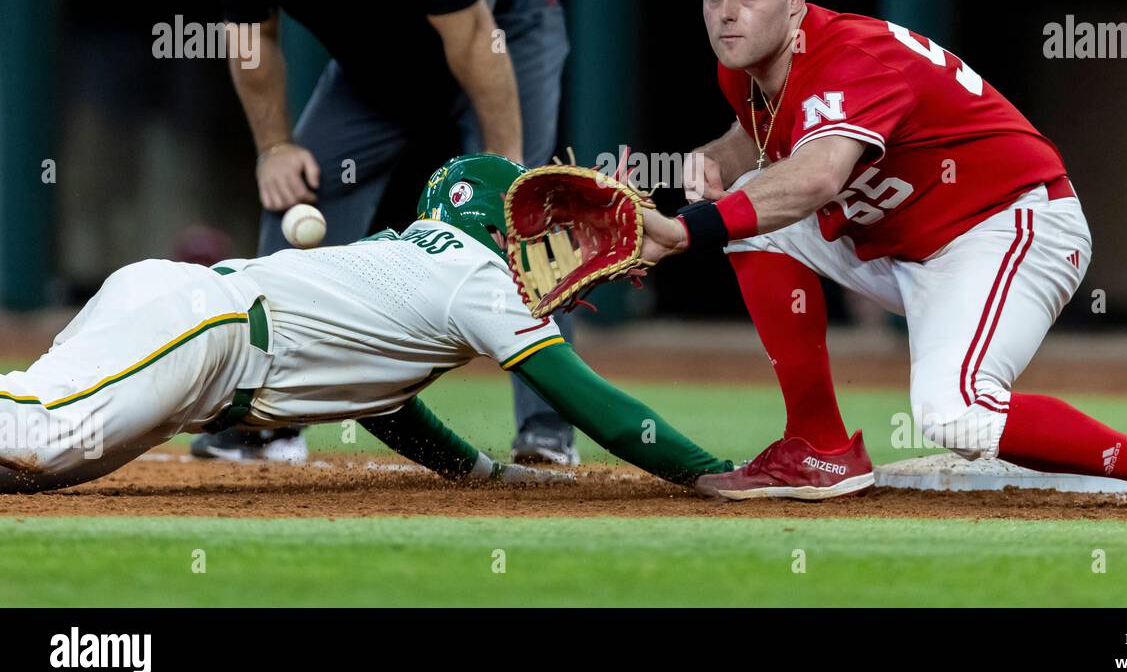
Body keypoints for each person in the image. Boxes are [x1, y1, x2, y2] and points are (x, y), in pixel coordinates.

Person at [633, 0, 1127, 512]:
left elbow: (818, 173)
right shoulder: (744, 71)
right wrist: (712, 160)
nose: (727, 11)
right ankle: (818, 448)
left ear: (796, 0)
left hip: (1007, 228)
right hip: (906, 244)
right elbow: (763, 139)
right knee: (750, 210)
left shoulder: (853, 58)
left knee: (956, 416)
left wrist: (687, 229)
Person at [196, 0, 575, 465]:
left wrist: (508, 170)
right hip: (378, 68)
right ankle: (273, 419)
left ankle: (547, 429)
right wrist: (274, 147)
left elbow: (474, 43)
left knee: (521, 221)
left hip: (504, 35)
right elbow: (254, 44)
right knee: (293, 206)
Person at [0, 155, 730, 494]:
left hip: (186, 329)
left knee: (32, 467)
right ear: (492, 226)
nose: (543, 247)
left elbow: (384, 405)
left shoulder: (413, 258)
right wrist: (707, 473)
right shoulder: (476, 276)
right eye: (530, 230)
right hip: (205, 332)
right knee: (40, 437)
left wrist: (480, 473)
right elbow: (579, 394)